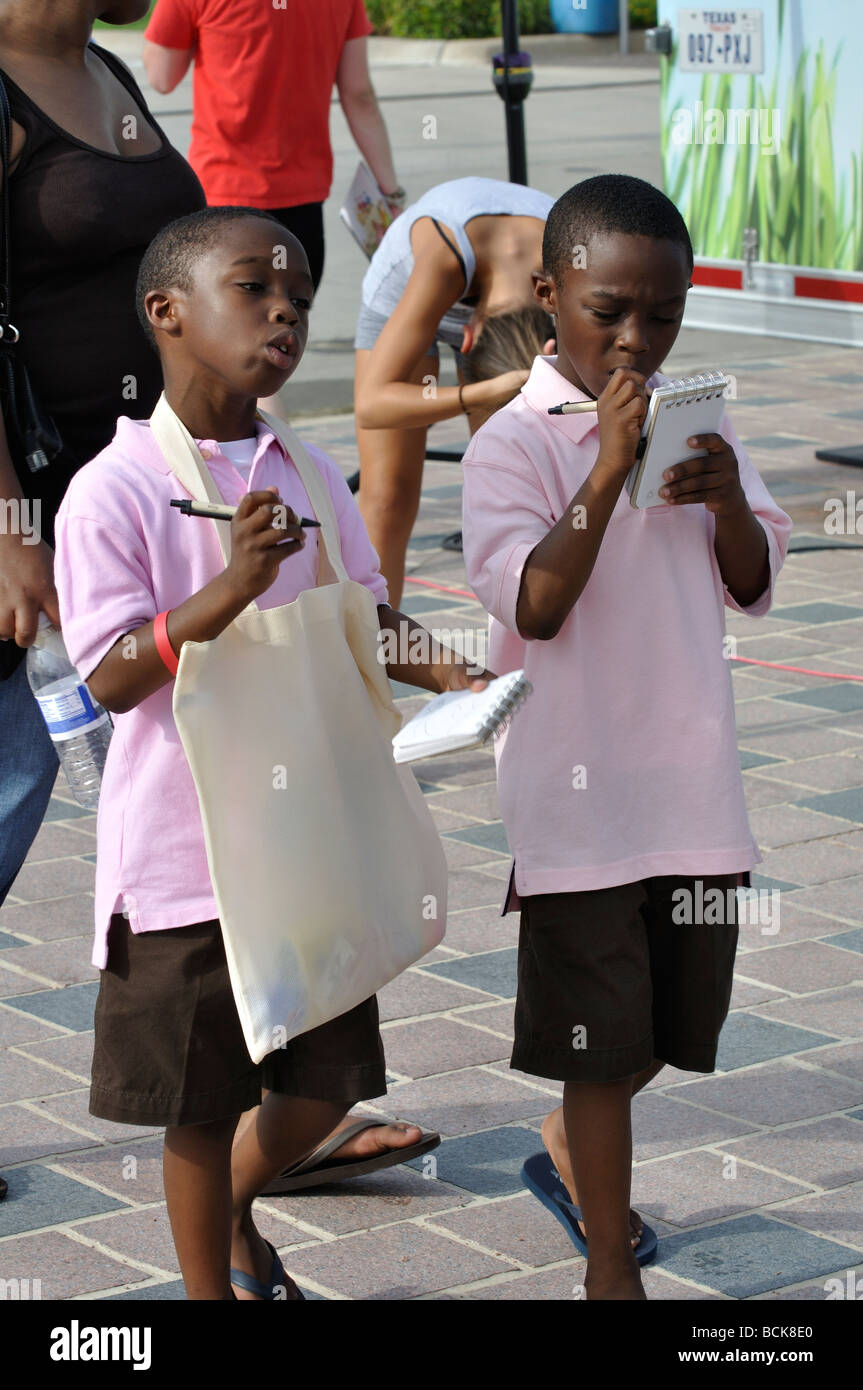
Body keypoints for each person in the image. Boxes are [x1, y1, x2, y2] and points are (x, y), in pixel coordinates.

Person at [53, 207, 492, 1300]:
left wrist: (454, 676)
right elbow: (107, 675)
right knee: (197, 1109)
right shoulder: (111, 488)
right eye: (252, 288)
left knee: (323, 1086)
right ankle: (213, 1283)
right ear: (166, 313)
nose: (284, 308)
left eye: (296, 292)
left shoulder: (306, 468)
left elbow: (364, 617)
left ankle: (244, 1204)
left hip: (310, 847)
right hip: (183, 864)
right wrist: (227, 591)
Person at [461, 175, 792, 1300]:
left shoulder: (695, 411)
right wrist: (605, 467)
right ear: (549, 294)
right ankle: (609, 1261)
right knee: (597, 1046)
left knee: (666, 1026)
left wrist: (725, 506)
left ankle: (564, 1143)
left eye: (663, 313)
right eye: (607, 311)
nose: (635, 340)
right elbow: (533, 606)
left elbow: (750, 583)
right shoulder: (510, 443)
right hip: (573, 798)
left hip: (690, 785)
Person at [0, 0, 206, 909]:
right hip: (34, 513)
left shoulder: (106, 68)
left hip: (133, 499)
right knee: (14, 777)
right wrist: (9, 532)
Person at [352, 176, 554, 606]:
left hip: (510, 302)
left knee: (508, 490)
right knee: (388, 494)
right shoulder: (442, 256)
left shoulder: (573, 261)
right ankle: (370, 650)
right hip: (408, 292)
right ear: (469, 337)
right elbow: (372, 405)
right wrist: (473, 395)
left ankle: (519, 633)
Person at [142, 0, 405, 292]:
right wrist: (390, 192)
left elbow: (161, 76)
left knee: (223, 328)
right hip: (303, 208)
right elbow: (359, 96)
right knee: (287, 327)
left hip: (223, 198)